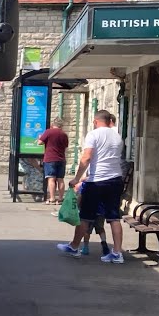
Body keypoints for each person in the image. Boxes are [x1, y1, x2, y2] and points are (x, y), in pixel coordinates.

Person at [57, 110, 125, 263]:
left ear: (95, 121)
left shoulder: (93, 135)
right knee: (114, 217)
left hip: (97, 181)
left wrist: (77, 178)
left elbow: (86, 157)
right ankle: (117, 253)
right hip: (115, 180)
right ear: (109, 121)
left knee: (85, 216)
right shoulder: (117, 136)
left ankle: (74, 247)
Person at [36, 118, 70, 204]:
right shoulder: (64, 134)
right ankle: (61, 198)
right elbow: (65, 146)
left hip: (50, 158)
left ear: (52, 124)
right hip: (61, 159)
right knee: (60, 179)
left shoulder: (48, 132)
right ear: (61, 125)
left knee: (51, 179)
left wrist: (40, 137)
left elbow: (39, 142)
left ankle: (52, 198)